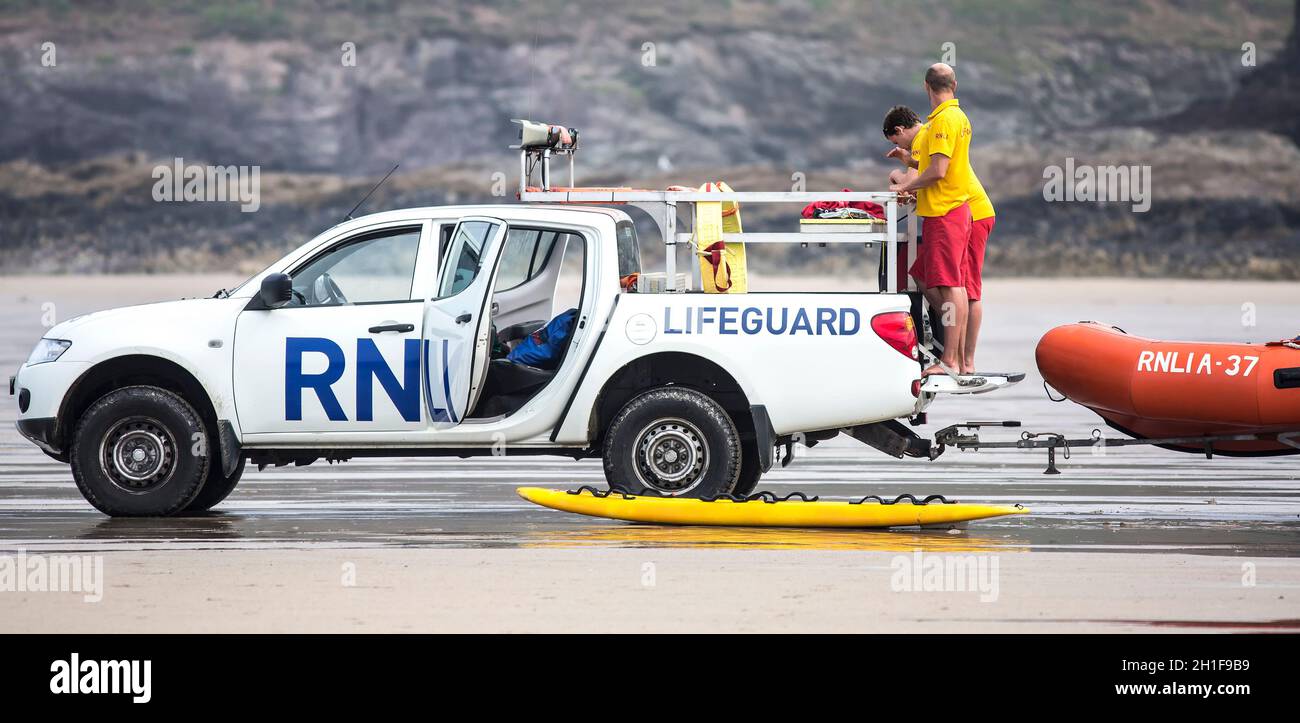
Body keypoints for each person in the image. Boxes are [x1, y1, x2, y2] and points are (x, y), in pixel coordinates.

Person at [884, 63, 986, 375]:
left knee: (954, 285)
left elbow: (939, 171)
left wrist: (906, 184)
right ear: (954, 84)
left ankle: (952, 360)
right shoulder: (957, 117)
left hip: (947, 209)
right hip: (948, 209)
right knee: (934, 278)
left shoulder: (942, 121)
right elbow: (938, 163)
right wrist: (910, 162)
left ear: (927, 87)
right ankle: (957, 358)